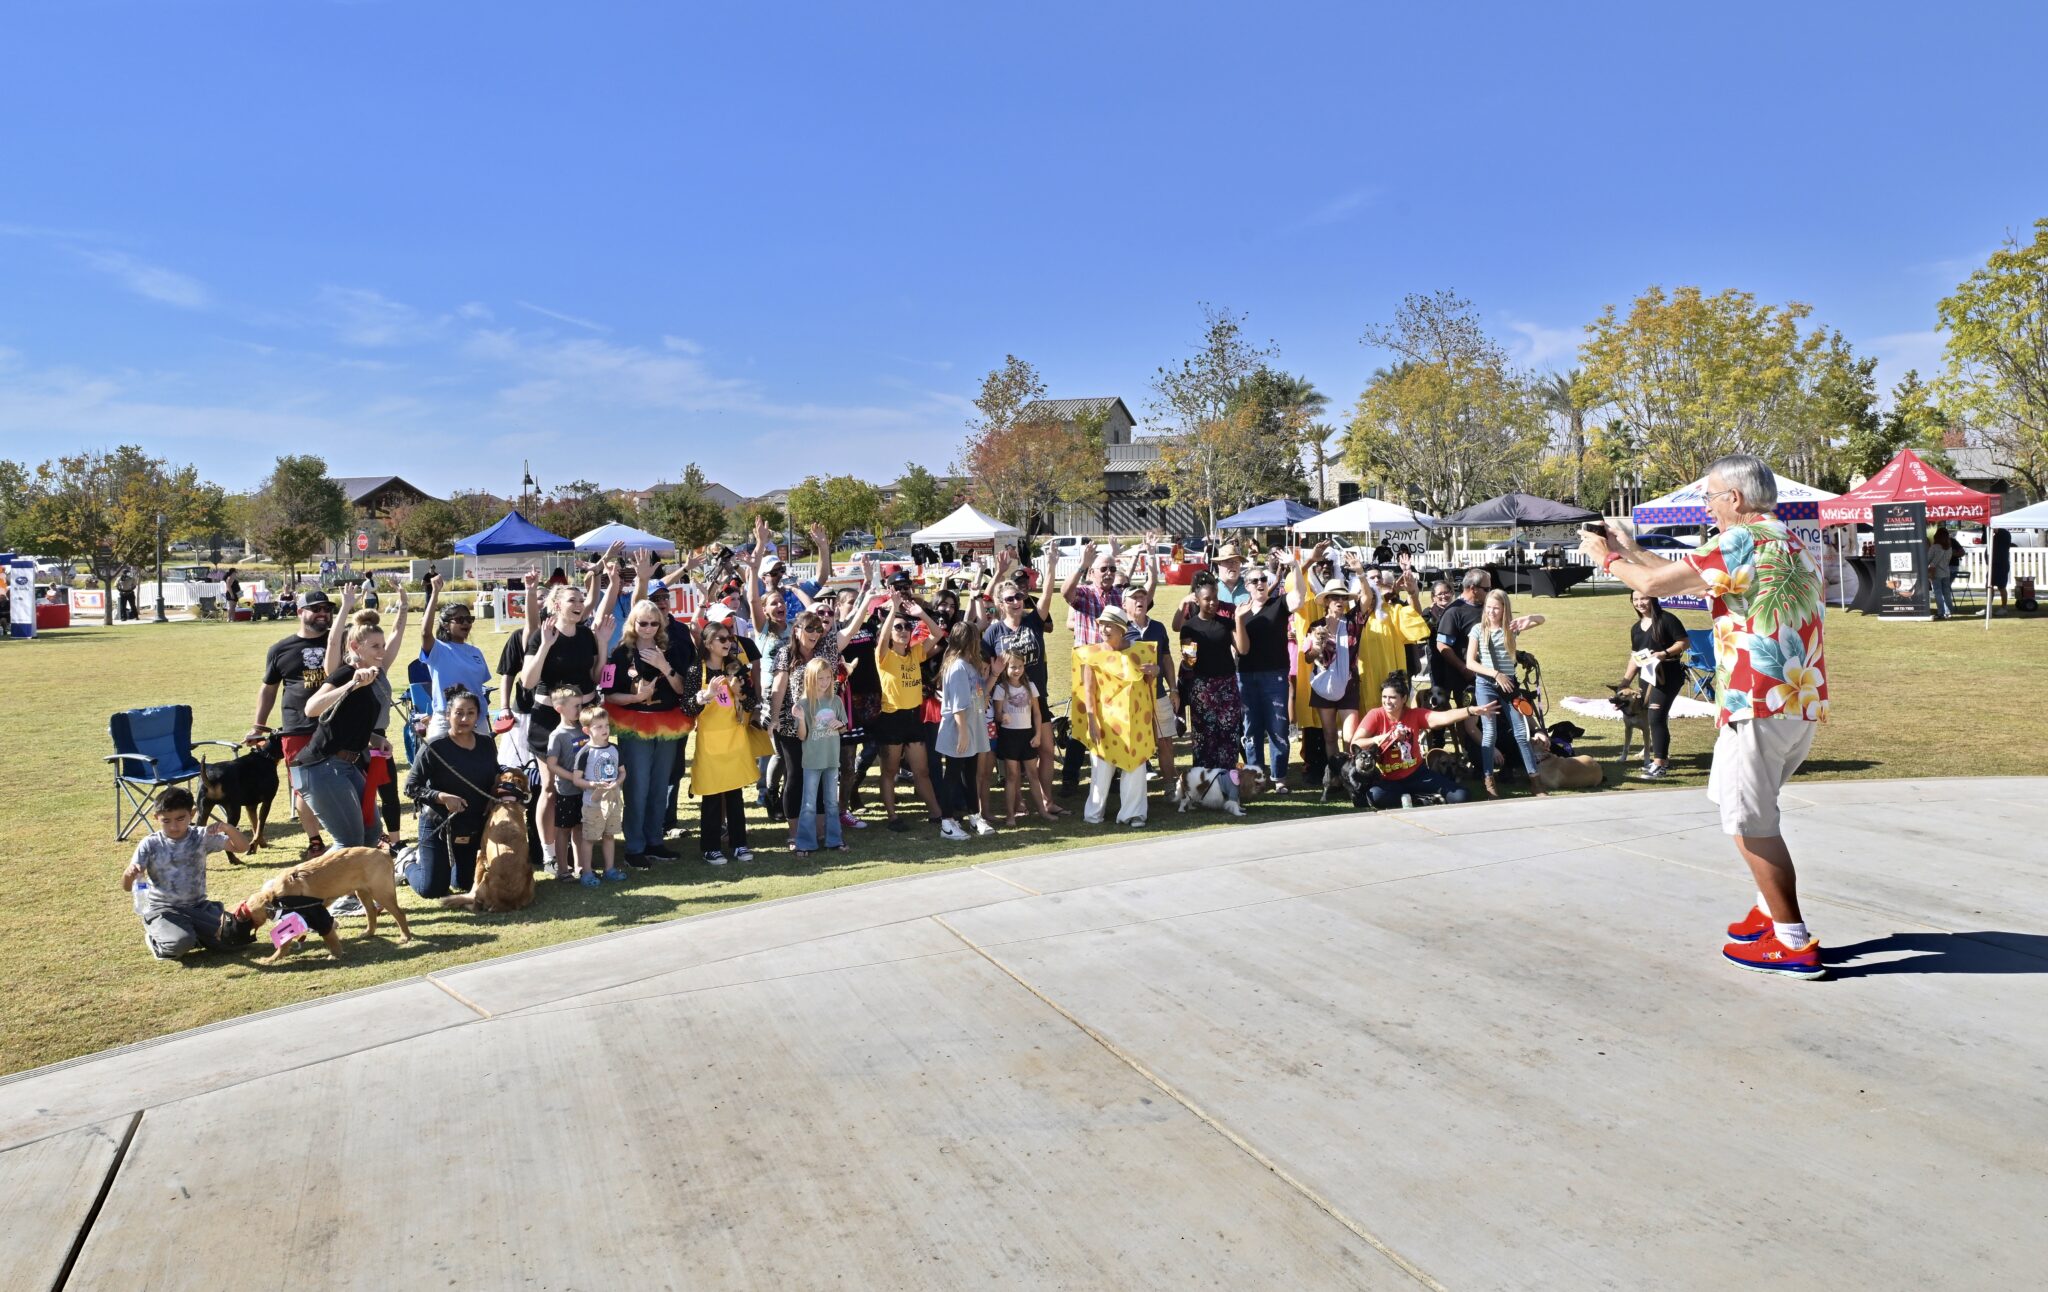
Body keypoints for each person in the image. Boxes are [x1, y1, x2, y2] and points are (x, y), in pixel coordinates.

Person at [1582, 452, 1829, 978]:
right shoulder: (1783, 541)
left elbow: (1650, 588)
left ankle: (1792, 941)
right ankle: (1768, 911)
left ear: (1734, 499)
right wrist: (1629, 549)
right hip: (1792, 701)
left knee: (1752, 820)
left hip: (1755, 702)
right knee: (1738, 803)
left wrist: (1605, 559)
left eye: (1710, 497)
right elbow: (1682, 579)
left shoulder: (1740, 540)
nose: (1707, 506)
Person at [519, 567, 618, 874]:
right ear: (557, 605)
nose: (578, 604)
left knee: (584, 784)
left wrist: (602, 643)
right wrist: (546, 645)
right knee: (551, 787)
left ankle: (581, 854)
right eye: (572, 599)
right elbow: (527, 681)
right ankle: (549, 853)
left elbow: (595, 676)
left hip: (584, 719)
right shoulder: (542, 635)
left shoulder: (587, 634)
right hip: (549, 720)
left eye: (581, 599)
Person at [604, 574, 695, 868]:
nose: (649, 628)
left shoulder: (671, 650)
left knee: (660, 786)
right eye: (643, 623)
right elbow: (609, 695)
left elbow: (683, 689)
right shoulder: (620, 653)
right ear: (633, 623)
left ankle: (655, 840)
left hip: (667, 724)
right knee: (637, 787)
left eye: (654, 623)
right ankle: (634, 846)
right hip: (634, 725)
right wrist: (635, 698)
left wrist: (664, 666)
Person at [249, 587, 339, 857]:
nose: (323, 614)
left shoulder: (340, 641)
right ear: (300, 612)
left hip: (336, 724)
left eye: (327, 609)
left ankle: (347, 836)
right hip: (297, 727)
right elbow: (269, 688)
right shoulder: (281, 649)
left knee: (344, 781)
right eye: (317, 609)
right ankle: (315, 841)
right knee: (303, 787)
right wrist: (258, 726)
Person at [297, 612, 395, 852]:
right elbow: (311, 709)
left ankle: (351, 889)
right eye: (375, 646)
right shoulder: (345, 674)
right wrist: (352, 684)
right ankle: (315, 885)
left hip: (348, 765)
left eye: (383, 645)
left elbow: (349, 721)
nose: (382, 651)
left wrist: (375, 738)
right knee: (349, 841)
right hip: (321, 766)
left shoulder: (373, 678)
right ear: (355, 647)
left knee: (371, 833)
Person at [982, 556, 1067, 819]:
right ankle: (1018, 802)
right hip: (1008, 703)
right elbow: (987, 669)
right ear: (1000, 604)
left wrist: (1051, 568)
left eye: (1018, 597)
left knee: (1046, 750)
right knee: (1015, 758)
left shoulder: (1033, 622)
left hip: (1036, 696)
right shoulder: (993, 633)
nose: (1016, 602)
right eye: (1010, 599)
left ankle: (1046, 799)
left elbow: (1048, 599)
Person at [122, 787, 251, 959]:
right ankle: (157, 938)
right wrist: (129, 874)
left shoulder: (200, 836)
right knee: (180, 943)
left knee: (236, 938)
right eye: (166, 821)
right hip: (164, 910)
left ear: (192, 813)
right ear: (156, 818)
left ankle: (196, 934)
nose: (174, 826)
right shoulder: (150, 844)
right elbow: (127, 886)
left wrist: (227, 828)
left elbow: (243, 847)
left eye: (180, 819)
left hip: (198, 906)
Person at [401, 686, 505, 897]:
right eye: (459, 713)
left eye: (470, 713)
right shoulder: (434, 747)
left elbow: (494, 773)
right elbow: (410, 787)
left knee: (465, 885)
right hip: (440, 826)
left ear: (478, 716)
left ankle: (448, 868)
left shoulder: (486, 743)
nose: (465, 718)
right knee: (431, 890)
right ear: (448, 715)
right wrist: (441, 797)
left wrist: (504, 783)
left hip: (474, 826)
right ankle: (406, 863)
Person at [680, 617, 768, 863]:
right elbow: (687, 709)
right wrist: (704, 697)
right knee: (711, 795)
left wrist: (741, 692)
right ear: (707, 643)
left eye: (729, 638)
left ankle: (739, 843)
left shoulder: (736, 668)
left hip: (735, 738)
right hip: (710, 741)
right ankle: (710, 847)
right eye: (722, 639)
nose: (728, 643)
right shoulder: (696, 670)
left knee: (735, 794)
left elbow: (751, 702)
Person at [1347, 672, 1487, 808]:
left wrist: (1470, 711)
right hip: (1387, 779)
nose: (1387, 702)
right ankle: (1418, 798)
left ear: (1404, 698)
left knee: (1461, 796)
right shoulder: (1375, 715)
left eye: (1392, 697)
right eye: (1384, 697)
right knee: (1376, 796)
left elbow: (1444, 717)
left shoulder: (1414, 714)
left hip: (1417, 774)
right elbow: (1356, 743)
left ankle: (1414, 796)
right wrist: (1384, 737)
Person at [766, 607, 842, 846]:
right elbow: (778, 688)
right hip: (791, 725)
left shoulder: (823, 651)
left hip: (820, 727)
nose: (816, 633)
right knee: (796, 776)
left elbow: (847, 633)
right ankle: (795, 831)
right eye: (810, 628)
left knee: (819, 775)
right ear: (796, 629)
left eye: (819, 629)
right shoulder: (784, 653)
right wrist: (775, 718)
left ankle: (819, 831)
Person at [1076, 605, 1157, 826]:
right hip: (1106, 721)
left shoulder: (1141, 652)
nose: (1104, 629)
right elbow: (1088, 691)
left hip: (1135, 721)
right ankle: (1094, 814)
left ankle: (1134, 814)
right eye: (1102, 625)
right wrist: (1092, 721)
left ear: (1121, 629)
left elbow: (1149, 683)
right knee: (1101, 769)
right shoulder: (1092, 655)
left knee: (1135, 766)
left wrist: (1154, 672)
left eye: (1109, 625)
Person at [873, 593, 946, 834]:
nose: (903, 631)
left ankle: (937, 812)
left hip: (913, 718)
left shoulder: (915, 653)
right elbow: (883, 638)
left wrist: (921, 615)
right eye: (898, 628)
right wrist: (893, 610)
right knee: (890, 771)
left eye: (906, 627)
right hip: (891, 719)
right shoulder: (883, 655)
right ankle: (893, 816)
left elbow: (938, 634)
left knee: (921, 771)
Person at [1466, 589, 1545, 797]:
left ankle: (1535, 781)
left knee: (1521, 732)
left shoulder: (1511, 628)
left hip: (1509, 685)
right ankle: (1488, 780)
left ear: (1504, 609)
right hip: (1486, 683)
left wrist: (1529, 618)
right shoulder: (1478, 630)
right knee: (1489, 732)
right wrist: (1495, 674)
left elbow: (1542, 619)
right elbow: (1470, 662)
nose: (1491, 612)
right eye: (1489, 607)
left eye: (1496, 608)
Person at [1232, 562, 1292, 788]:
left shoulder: (1278, 603)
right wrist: (1239, 620)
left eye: (1263, 580)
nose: (1260, 583)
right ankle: (1255, 779)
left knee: (1278, 727)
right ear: (1246, 586)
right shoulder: (1240, 611)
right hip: (1246, 676)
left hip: (1275, 674)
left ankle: (1279, 778)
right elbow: (1241, 649)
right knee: (1251, 729)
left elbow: (1299, 596)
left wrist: (1295, 564)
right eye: (1254, 581)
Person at [935, 623, 994, 839]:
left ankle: (974, 816)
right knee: (952, 775)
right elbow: (958, 705)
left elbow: (980, 694)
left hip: (972, 727)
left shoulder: (969, 665)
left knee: (970, 773)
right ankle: (947, 823)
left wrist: (994, 674)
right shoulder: (958, 667)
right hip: (960, 730)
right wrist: (963, 733)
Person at [1622, 590, 1689, 780]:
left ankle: (1659, 764)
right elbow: (1635, 657)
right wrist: (1625, 681)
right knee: (1654, 717)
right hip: (1646, 676)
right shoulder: (1636, 628)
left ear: (1652, 599)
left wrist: (1664, 653)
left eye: (1643, 598)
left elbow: (1684, 642)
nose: (1640, 603)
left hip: (1667, 675)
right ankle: (1661, 760)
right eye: (1635, 599)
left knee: (1655, 717)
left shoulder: (1667, 619)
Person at [417, 570, 491, 743]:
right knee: (438, 767)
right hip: (446, 720)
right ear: (445, 624)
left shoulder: (476, 652)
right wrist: (435, 593)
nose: (466, 623)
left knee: (481, 767)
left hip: (477, 720)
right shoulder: (438, 650)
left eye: (469, 619)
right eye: (459, 620)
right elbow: (425, 632)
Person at [1179, 573, 1243, 771]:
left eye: (1215, 598)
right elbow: (1189, 664)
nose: (1212, 602)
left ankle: (1227, 779)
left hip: (1227, 685)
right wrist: (1188, 659)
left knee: (1229, 733)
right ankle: (1204, 781)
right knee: (1204, 736)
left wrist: (1239, 620)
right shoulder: (1189, 627)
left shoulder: (1226, 623)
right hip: (1202, 687)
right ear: (1197, 600)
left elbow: (1242, 648)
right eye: (1207, 599)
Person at [1124, 583, 1179, 792]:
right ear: (1124, 603)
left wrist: (1173, 688)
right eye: (1135, 598)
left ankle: (1170, 786)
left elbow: (1166, 658)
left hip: (1158, 693)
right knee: (1135, 743)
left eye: (1143, 597)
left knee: (1165, 741)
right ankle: (1135, 791)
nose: (1140, 601)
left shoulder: (1158, 627)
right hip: (1131, 699)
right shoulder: (1120, 629)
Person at [792, 657, 848, 855]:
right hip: (812, 761)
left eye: (827, 678)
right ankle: (805, 843)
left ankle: (834, 840)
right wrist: (799, 719)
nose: (824, 682)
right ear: (810, 679)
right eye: (820, 678)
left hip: (832, 759)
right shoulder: (804, 704)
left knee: (832, 802)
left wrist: (839, 725)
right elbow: (802, 736)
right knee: (808, 803)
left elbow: (844, 728)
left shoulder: (835, 700)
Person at [991, 653, 1056, 824]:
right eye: (1013, 667)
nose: (1017, 670)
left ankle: (1042, 811)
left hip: (1027, 735)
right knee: (1012, 776)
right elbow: (997, 714)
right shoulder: (1001, 688)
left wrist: (1038, 735)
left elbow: (1037, 713)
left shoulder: (1030, 686)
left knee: (1032, 774)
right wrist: (1002, 716)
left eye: (1020, 666)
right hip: (1009, 736)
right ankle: (1010, 815)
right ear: (1006, 668)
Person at [542, 685, 593, 883]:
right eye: (576, 707)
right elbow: (552, 764)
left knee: (580, 828)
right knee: (563, 830)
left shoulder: (584, 729)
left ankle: (580, 866)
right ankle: (563, 869)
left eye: (581, 705)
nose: (580, 711)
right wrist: (573, 777)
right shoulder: (558, 735)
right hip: (567, 791)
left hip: (584, 790)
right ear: (559, 709)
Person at [571, 707, 627, 883]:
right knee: (590, 838)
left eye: (606, 725)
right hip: (592, 804)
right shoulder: (585, 752)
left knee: (609, 835)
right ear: (587, 730)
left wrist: (617, 782)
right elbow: (576, 779)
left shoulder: (615, 749)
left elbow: (622, 772)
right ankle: (587, 873)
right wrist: (593, 784)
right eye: (599, 727)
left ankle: (609, 869)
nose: (605, 730)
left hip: (613, 802)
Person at [1927, 524, 1957, 620]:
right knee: (1946, 593)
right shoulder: (1949, 547)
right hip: (1946, 572)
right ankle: (1949, 612)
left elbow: (1928, 559)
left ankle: (1941, 612)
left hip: (1936, 573)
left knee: (1938, 593)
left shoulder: (1935, 547)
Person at [1989, 525, 2012, 611]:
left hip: (2001, 565)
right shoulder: (1993, 536)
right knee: (1989, 585)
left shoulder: (2004, 533)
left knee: (2001, 587)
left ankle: (2004, 607)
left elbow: (1997, 531)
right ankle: (1989, 607)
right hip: (1993, 565)